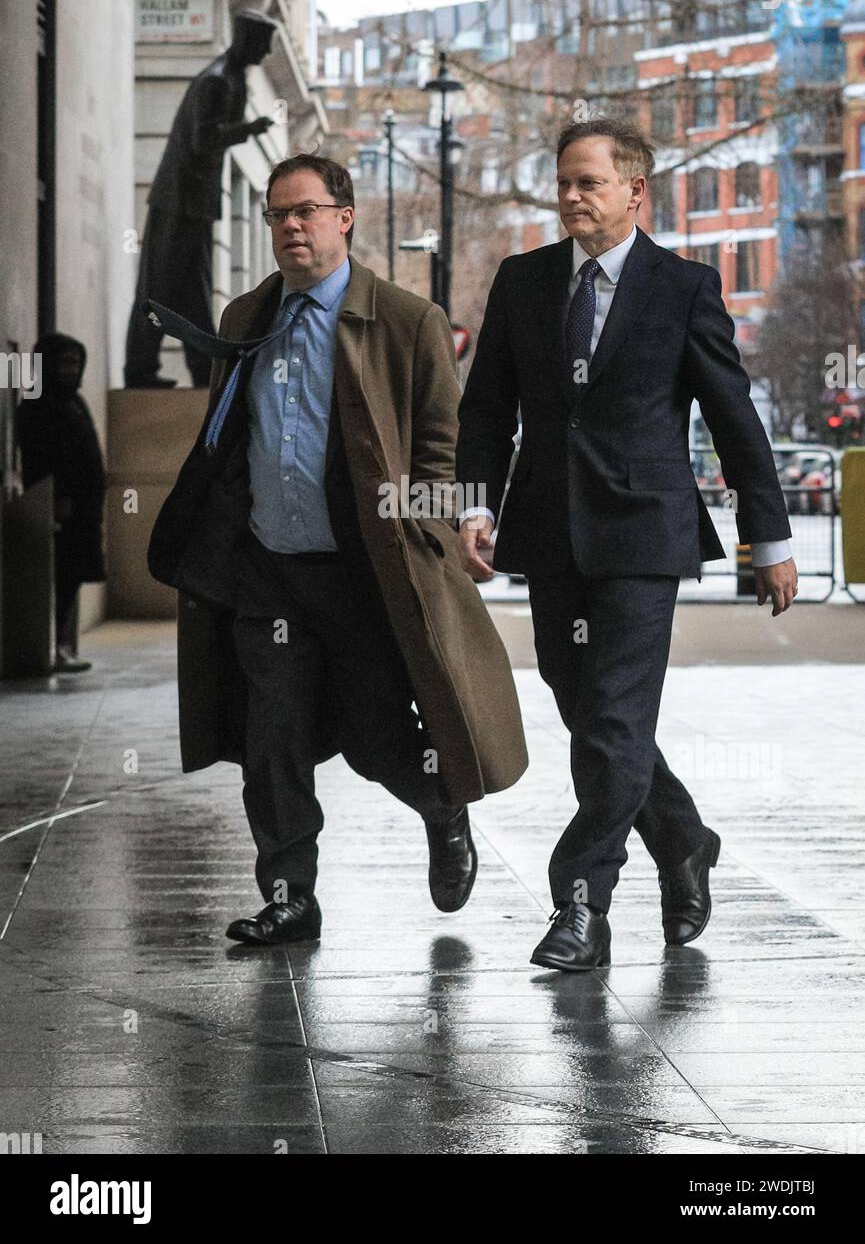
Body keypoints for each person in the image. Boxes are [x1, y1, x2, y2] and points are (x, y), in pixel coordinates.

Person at [147, 153, 527, 946]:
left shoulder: (404, 319)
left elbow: (439, 450)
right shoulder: (244, 316)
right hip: (266, 573)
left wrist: (428, 532)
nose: (291, 226)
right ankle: (291, 897)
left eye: (306, 211)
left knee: (377, 741)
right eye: (278, 214)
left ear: (343, 218)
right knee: (272, 741)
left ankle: (439, 807)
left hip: (362, 577)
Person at [456, 118, 797, 972]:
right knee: (586, 708)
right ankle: (683, 839)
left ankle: (581, 902)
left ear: (633, 191)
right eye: (563, 182)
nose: (569, 197)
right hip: (546, 529)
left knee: (611, 714)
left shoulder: (682, 287)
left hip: (645, 533)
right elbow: (488, 407)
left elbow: (730, 415)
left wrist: (768, 535)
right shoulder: (524, 280)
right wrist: (469, 504)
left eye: (587, 183)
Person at [124, 10, 276, 388]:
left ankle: (205, 371)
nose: (269, 51)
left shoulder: (232, 79)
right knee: (158, 287)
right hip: (179, 203)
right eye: (264, 42)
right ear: (248, 41)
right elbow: (202, 140)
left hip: (194, 205)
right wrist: (249, 129)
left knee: (193, 292)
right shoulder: (217, 82)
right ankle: (140, 370)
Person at [17, 332, 106, 672]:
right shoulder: (38, 405)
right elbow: (41, 458)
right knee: (59, 577)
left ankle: (62, 645)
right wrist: (59, 497)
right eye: (64, 363)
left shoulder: (74, 401)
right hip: (59, 508)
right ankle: (51, 647)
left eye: (75, 363)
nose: (70, 370)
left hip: (82, 508)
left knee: (71, 576)